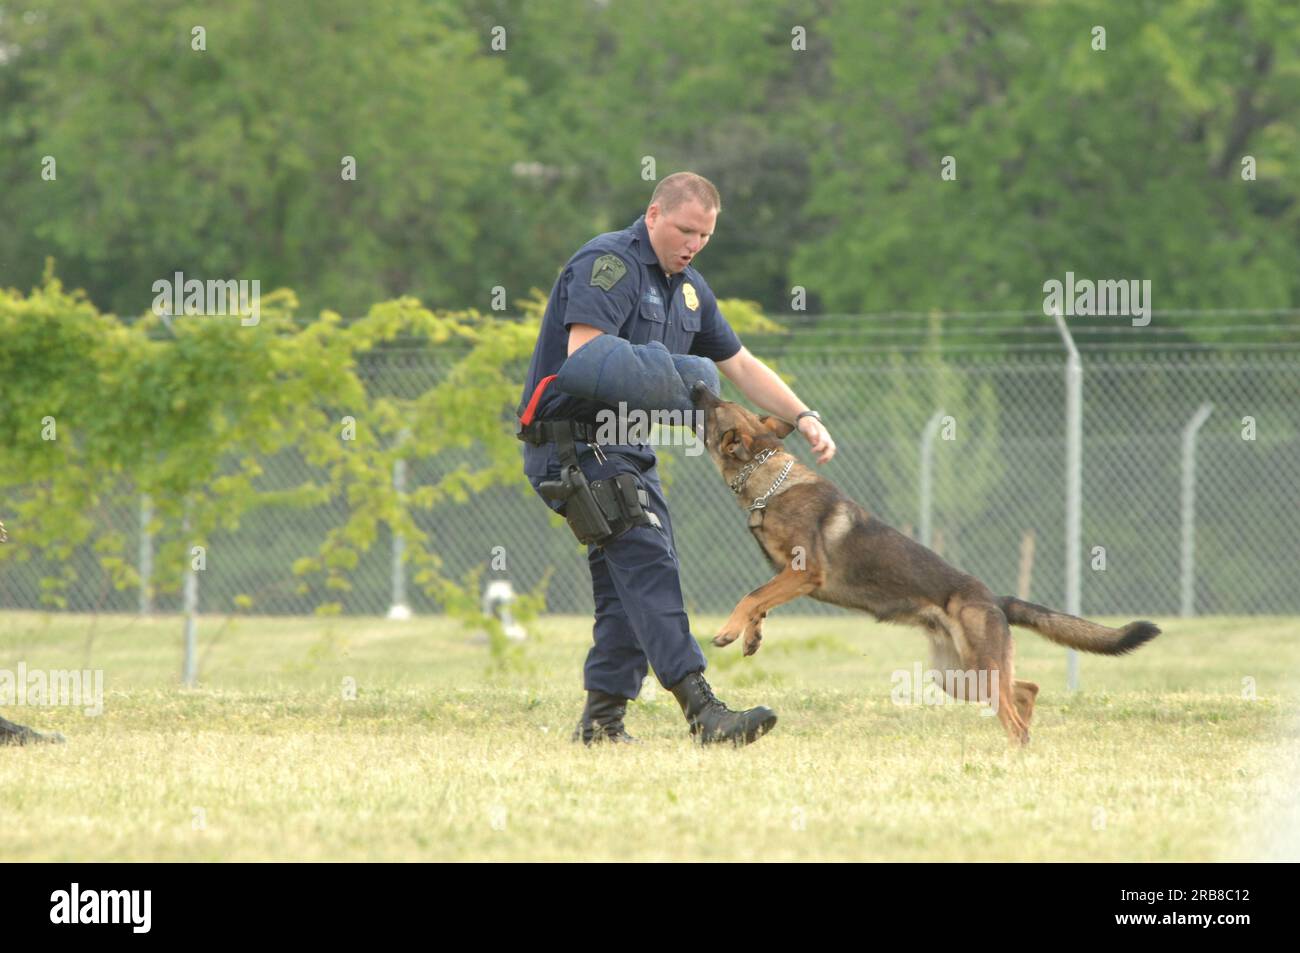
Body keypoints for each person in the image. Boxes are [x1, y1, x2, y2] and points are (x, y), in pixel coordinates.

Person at [516, 172, 836, 746]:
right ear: (654, 215)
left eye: (705, 236)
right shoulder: (607, 265)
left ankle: (601, 721)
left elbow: (739, 364)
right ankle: (703, 712)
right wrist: (680, 377)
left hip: (627, 446)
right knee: (647, 563)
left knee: (631, 583)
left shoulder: (689, 289)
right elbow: (585, 355)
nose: (692, 243)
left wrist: (803, 413)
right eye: (685, 229)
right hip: (572, 444)